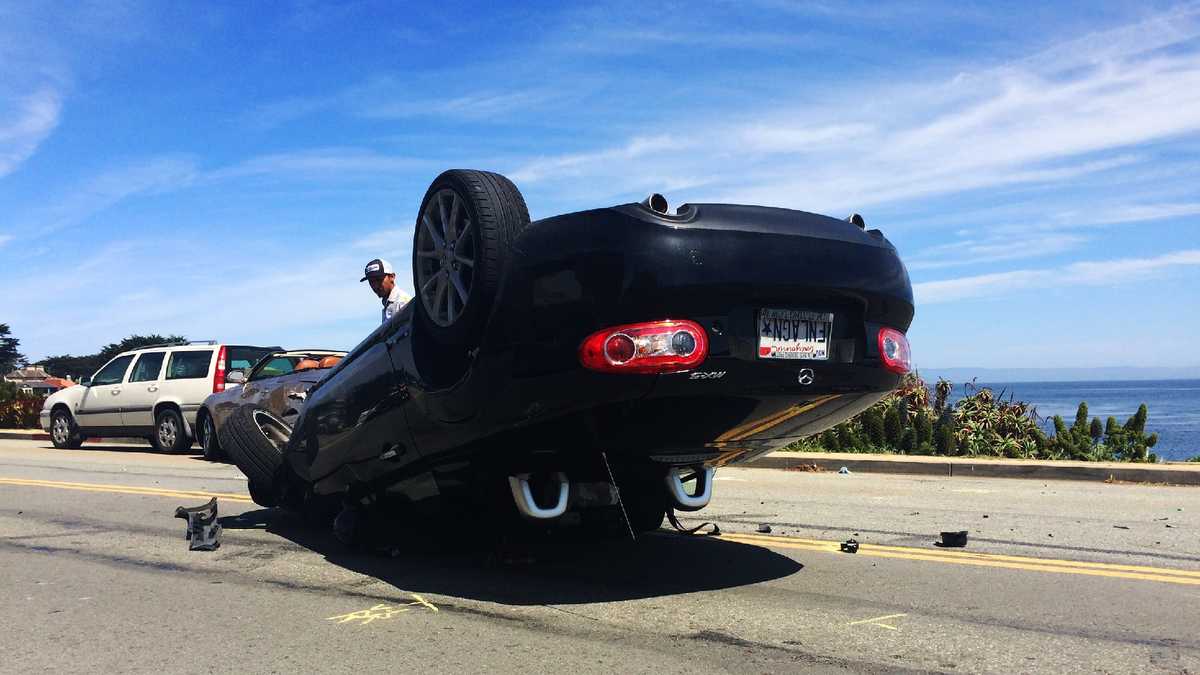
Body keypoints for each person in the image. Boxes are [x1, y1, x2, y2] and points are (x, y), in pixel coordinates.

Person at [360, 258, 410, 324]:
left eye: (379, 280)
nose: (375, 286)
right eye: (371, 282)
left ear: (392, 277)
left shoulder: (402, 302)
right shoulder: (389, 303)